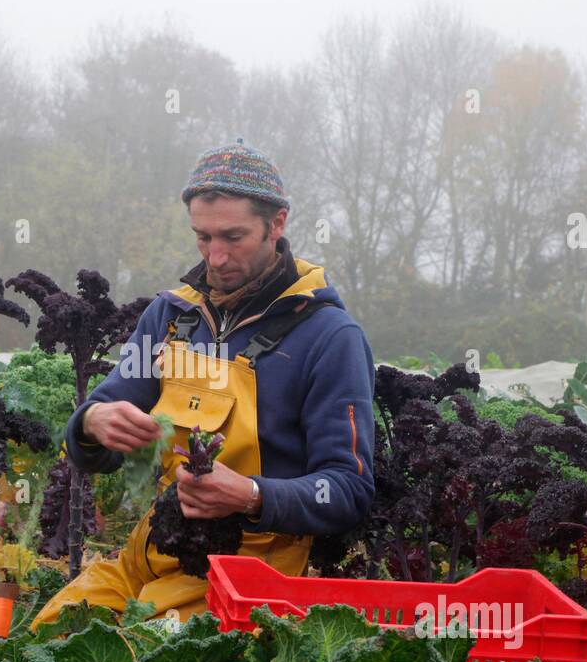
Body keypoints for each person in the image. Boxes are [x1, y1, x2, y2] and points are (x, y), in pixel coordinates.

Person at [31, 141, 376, 628]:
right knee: (44, 638)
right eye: (202, 237)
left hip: (247, 580)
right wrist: (91, 423)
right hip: (148, 556)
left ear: (277, 224)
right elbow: (99, 433)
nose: (216, 257)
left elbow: (348, 491)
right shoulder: (171, 315)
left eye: (234, 237)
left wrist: (254, 496)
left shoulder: (329, 337)